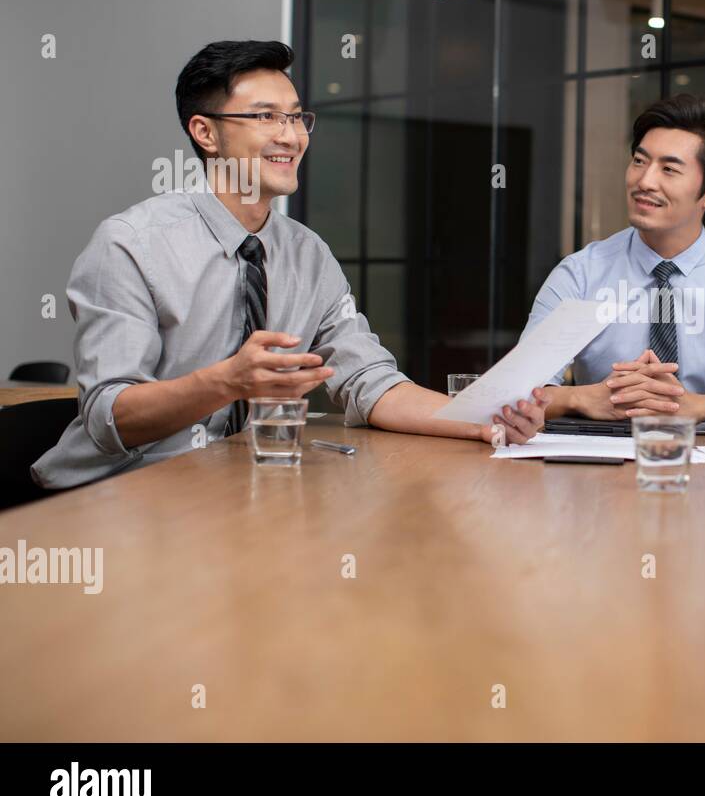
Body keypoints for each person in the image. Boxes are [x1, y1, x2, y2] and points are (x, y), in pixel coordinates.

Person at [33, 40, 546, 489]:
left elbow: (369, 381)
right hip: (115, 495)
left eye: (296, 116)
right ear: (206, 134)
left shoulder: (306, 252)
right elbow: (108, 418)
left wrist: (479, 422)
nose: (291, 136)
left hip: (232, 490)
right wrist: (229, 381)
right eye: (264, 117)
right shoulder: (130, 245)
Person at [523, 94, 705, 428]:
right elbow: (517, 391)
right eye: (639, 161)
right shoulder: (580, 274)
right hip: (597, 465)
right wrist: (584, 397)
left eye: (669, 169)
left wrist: (699, 407)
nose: (644, 181)